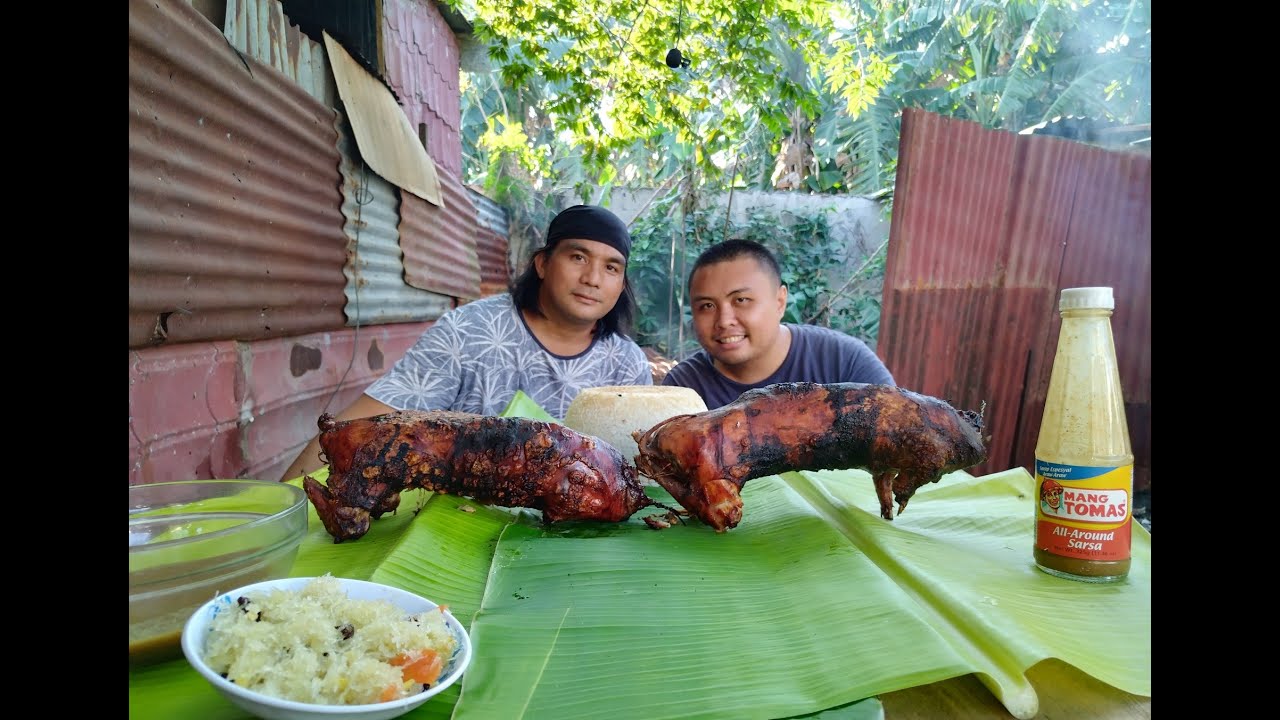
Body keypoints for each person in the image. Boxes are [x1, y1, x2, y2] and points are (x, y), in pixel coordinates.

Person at [280, 204, 653, 481]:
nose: (592, 278)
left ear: (621, 283)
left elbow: (641, 469)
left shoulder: (626, 365)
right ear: (542, 264)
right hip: (458, 518)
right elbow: (363, 424)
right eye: (577, 257)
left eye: (611, 267)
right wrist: (282, 504)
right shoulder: (470, 331)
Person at [661, 238, 894, 409]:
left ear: (780, 301)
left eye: (741, 300)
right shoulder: (683, 389)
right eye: (707, 306)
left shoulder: (845, 365)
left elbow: (902, 441)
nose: (724, 321)